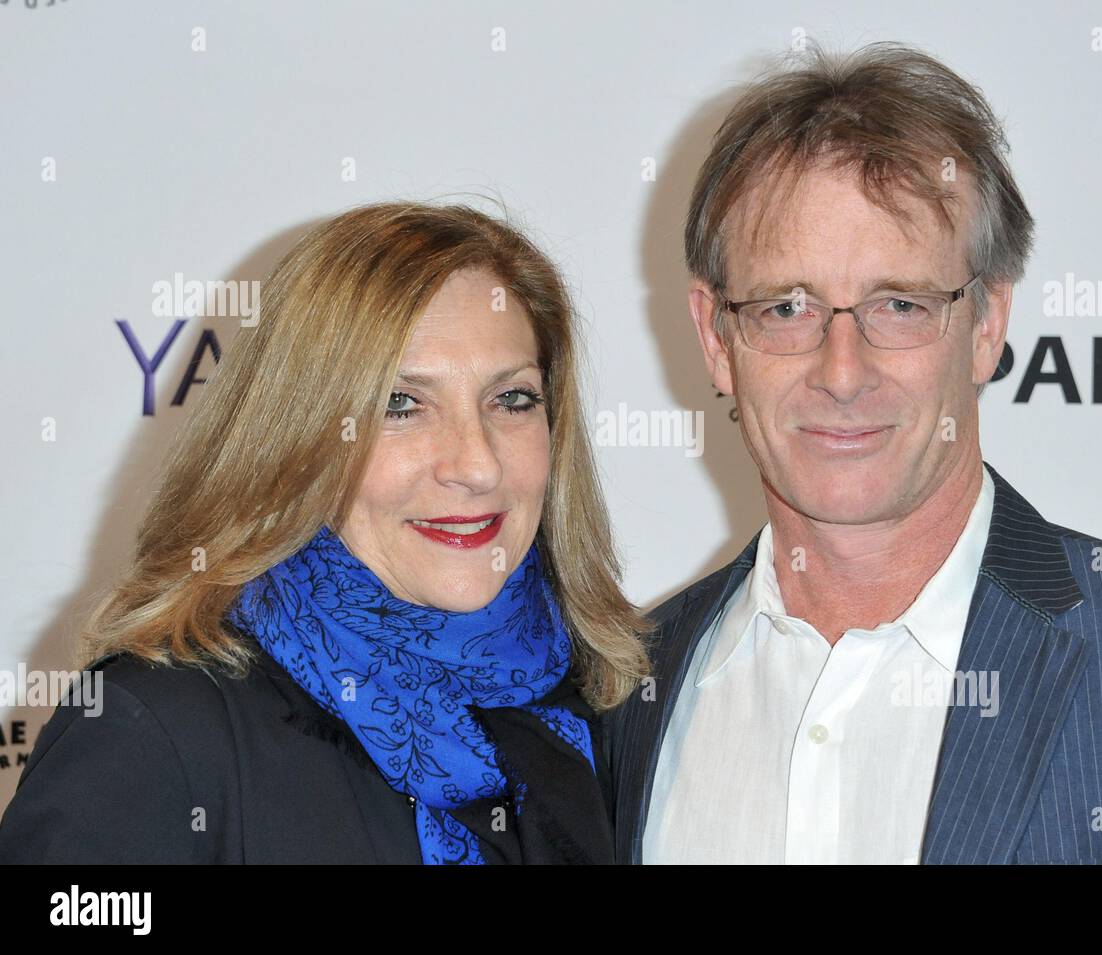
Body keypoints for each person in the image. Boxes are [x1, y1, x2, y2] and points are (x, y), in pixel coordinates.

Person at [602, 42, 1102, 864]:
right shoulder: (612, 701)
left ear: (988, 325)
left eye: (899, 304)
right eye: (786, 307)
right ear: (716, 338)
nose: (842, 371)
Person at [0, 201, 650, 864]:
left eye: (511, 399)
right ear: (298, 437)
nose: (477, 465)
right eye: (401, 404)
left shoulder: (599, 710)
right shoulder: (153, 732)